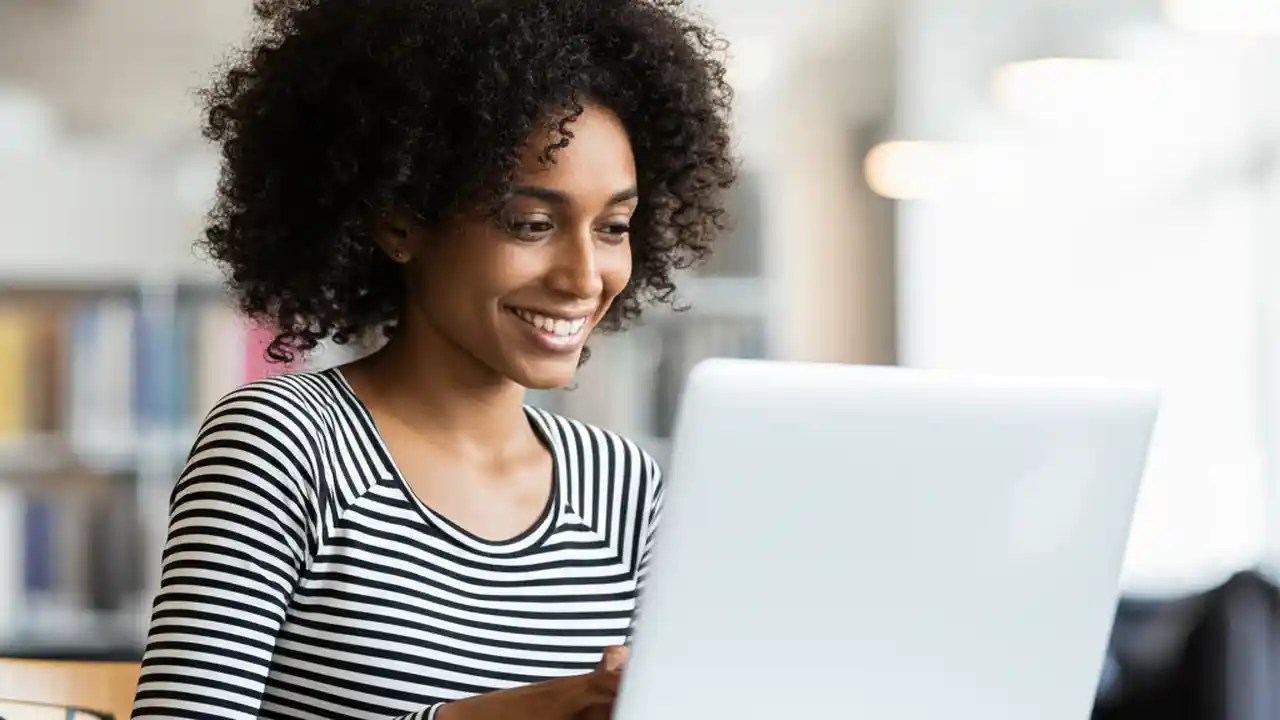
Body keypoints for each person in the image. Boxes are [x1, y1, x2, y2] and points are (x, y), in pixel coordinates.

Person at [129, 0, 735, 718]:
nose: (583, 276)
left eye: (612, 228)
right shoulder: (283, 446)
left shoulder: (624, 491)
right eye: (532, 225)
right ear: (400, 223)